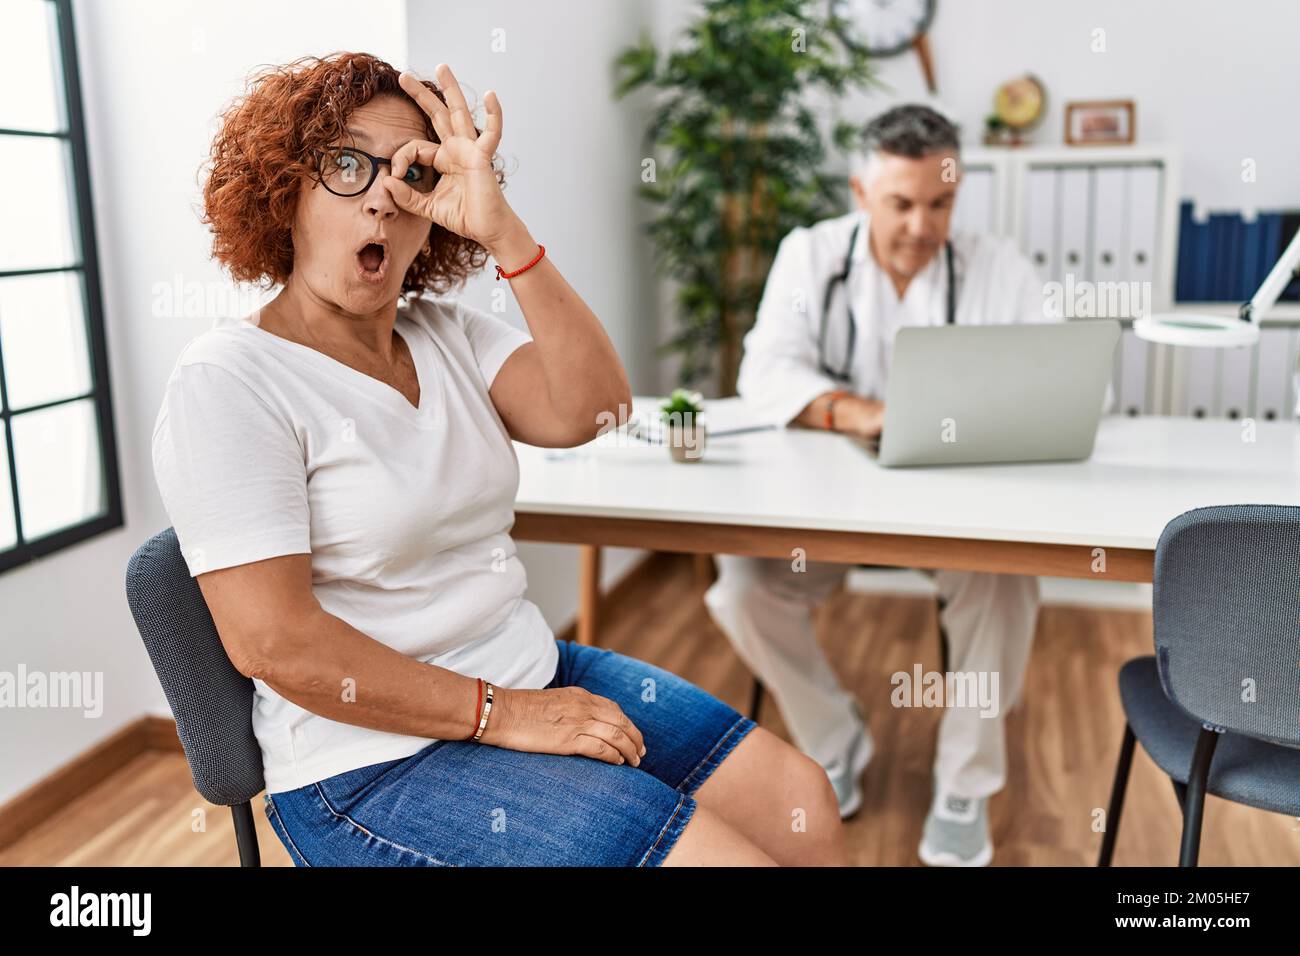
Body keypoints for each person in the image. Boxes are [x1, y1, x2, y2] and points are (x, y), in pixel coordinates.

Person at [152, 52, 845, 866]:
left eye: (409, 170)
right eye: (344, 165)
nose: (379, 194)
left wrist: (504, 230)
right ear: (287, 191)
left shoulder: (444, 333)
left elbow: (594, 409)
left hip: (528, 670)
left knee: (805, 804)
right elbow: (279, 645)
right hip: (369, 764)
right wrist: (504, 715)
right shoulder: (229, 381)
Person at [703, 104, 1063, 867]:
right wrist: (862, 412)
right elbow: (764, 371)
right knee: (741, 587)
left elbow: (1065, 378)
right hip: (828, 515)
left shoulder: (995, 266)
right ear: (861, 190)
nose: (921, 226)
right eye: (901, 203)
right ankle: (836, 735)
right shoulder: (812, 255)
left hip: (956, 514)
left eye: (941, 203)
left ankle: (966, 783)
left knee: (1003, 583)